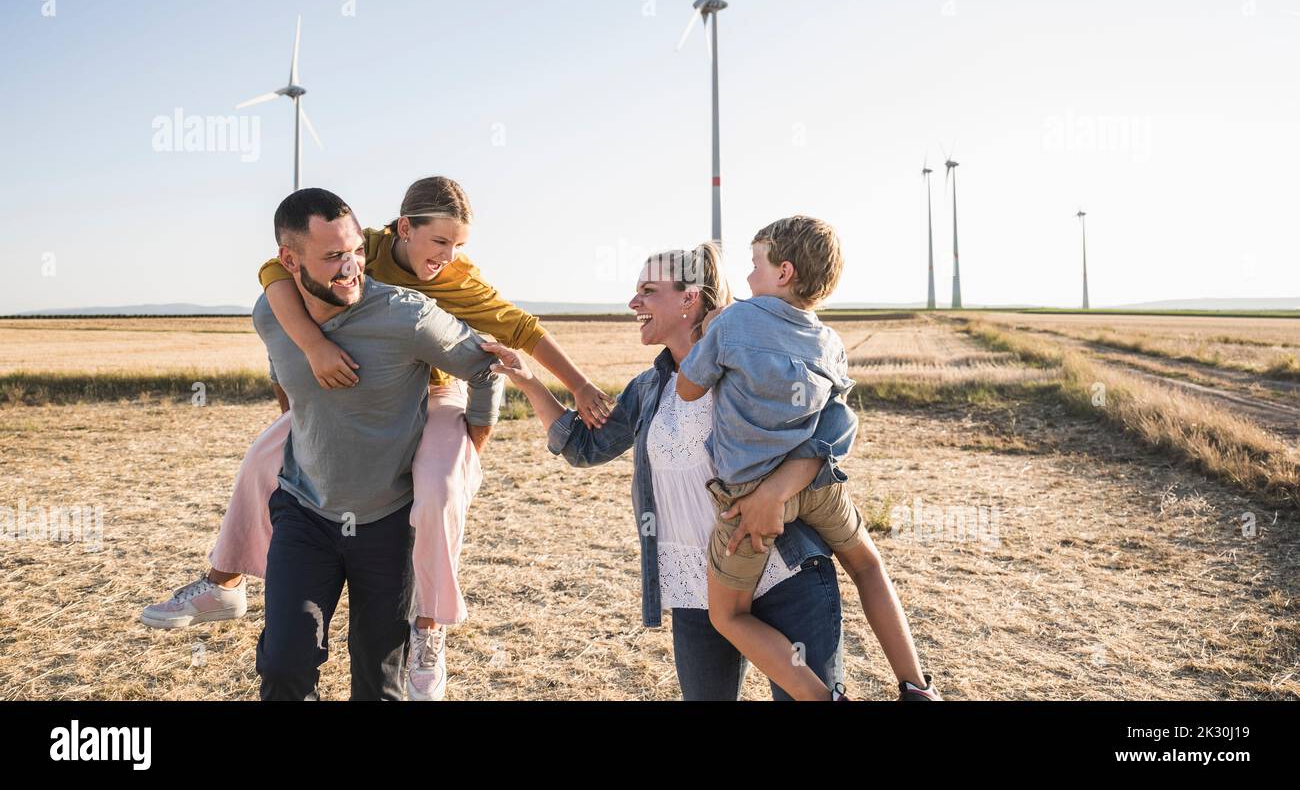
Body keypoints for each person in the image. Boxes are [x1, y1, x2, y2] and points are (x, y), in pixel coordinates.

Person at [140, 176, 613, 700]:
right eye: (439, 243)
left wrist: (570, 390)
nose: (448, 256)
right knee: (259, 464)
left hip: (429, 405)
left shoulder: (437, 294)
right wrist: (312, 362)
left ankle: (429, 627)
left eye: (458, 245)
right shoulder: (319, 274)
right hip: (321, 475)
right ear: (402, 228)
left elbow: (511, 336)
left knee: (439, 491)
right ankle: (223, 583)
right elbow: (275, 281)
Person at [485, 243, 850, 699]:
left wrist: (775, 494)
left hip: (784, 571)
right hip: (698, 588)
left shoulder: (746, 368)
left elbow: (831, 428)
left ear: (688, 299)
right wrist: (528, 380)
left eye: (647, 291)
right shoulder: (648, 389)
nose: (633, 303)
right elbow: (584, 447)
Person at [246, 187, 504, 699]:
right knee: (283, 665)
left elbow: (486, 367)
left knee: (378, 681)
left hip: (389, 524)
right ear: (289, 261)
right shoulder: (271, 314)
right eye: (333, 256)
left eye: (357, 250)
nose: (351, 267)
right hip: (305, 513)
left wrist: (472, 443)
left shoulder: (408, 315)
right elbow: (282, 375)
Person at [675, 215, 939, 701]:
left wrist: (707, 332)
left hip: (750, 495)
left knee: (727, 615)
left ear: (784, 272)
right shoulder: (830, 342)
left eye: (756, 265)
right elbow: (835, 424)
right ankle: (916, 686)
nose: (748, 278)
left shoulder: (733, 322)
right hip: (818, 488)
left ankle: (821, 697)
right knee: (868, 568)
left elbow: (689, 389)